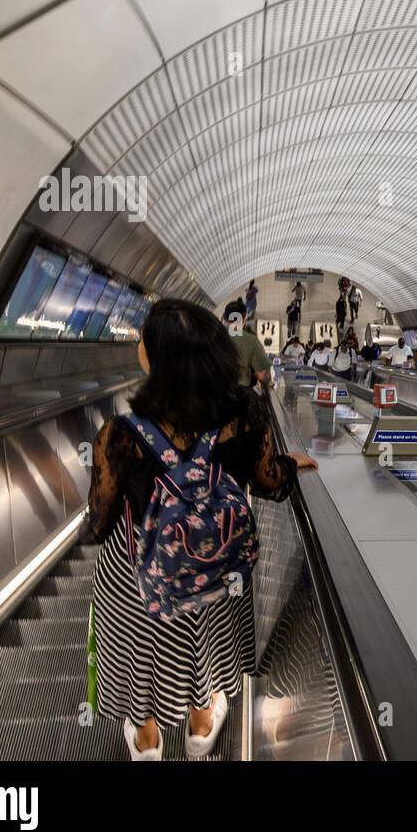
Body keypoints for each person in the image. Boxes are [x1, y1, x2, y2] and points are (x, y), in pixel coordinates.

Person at [83, 299, 317, 760]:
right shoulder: (243, 412)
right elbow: (269, 481)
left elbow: (100, 519)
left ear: (157, 358)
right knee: (205, 648)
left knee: (141, 656)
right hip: (217, 574)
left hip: (141, 581)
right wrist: (292, 465)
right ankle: (202, 726)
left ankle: (147, 741)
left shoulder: (121, 433)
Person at [223, 300, 269, 388]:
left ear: (224, 317)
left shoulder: (212, 336)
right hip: (239, 393)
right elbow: (263, 374)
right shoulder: (250, 340)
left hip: (214, 394)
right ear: (243, 318)